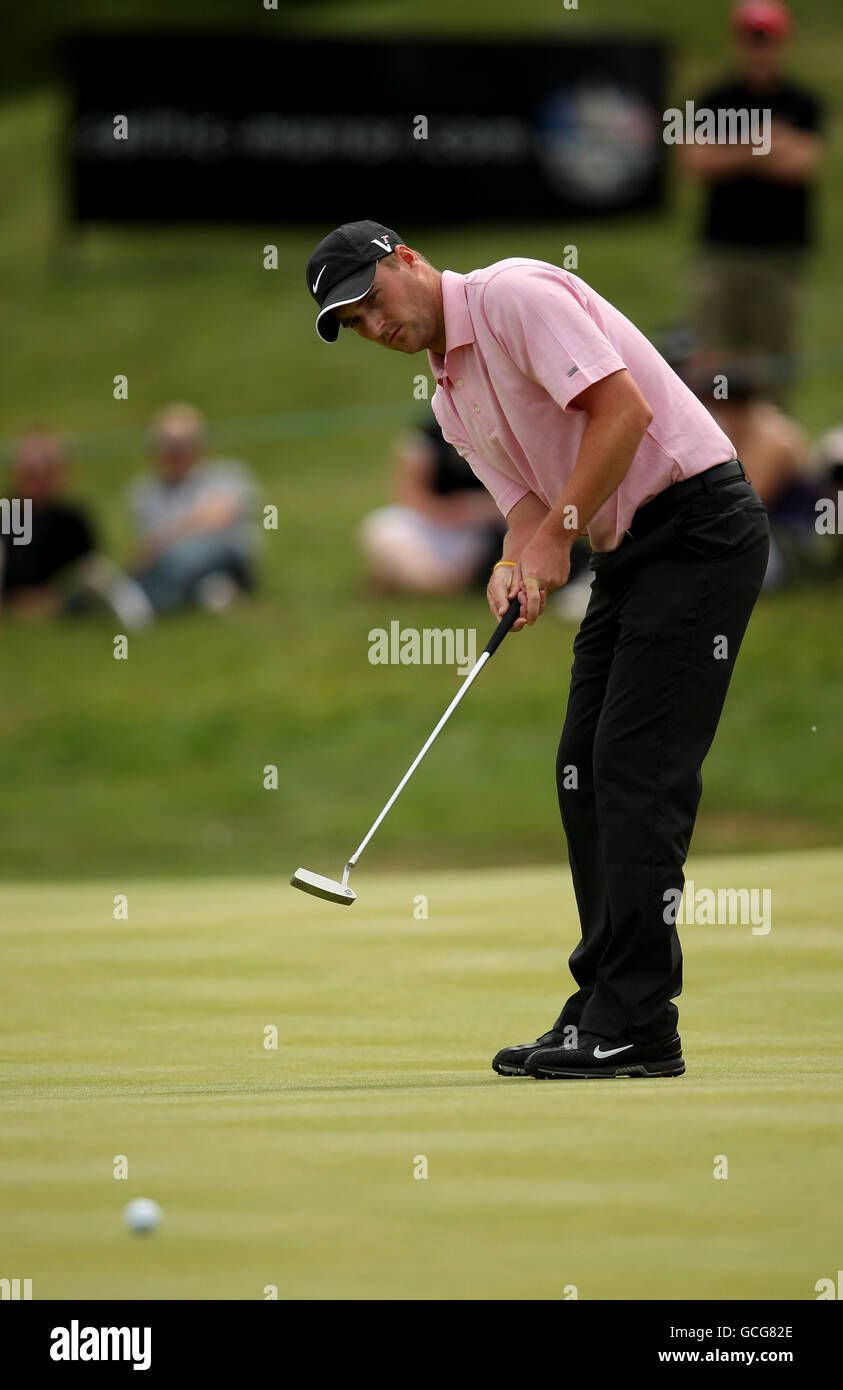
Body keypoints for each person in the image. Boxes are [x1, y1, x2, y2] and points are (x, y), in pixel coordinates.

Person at [304, 220, 770, 1080]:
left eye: (372, 302)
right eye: (357, 325)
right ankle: (604, 1003)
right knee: (582, 768)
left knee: (634, 766)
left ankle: (636, 1019)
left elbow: (620, 409)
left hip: (699, 526)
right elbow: (524, 505)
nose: (376, 327)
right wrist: (516, 559)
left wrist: (556, 533)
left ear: (406, 260)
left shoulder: (513, 294)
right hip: (632, 551)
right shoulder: (448, 397)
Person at [679, 0, 824, 404]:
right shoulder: (716, 98)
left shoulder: (802, 101)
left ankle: (774, 451)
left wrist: (735, 150)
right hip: (722, 250)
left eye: (767, 39)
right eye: (752, 38)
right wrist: (764, 144)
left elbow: (801, 163)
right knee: (713, 359)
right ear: (738, 41)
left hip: (780, 254)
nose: (759, 48)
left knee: (775, 360)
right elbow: (696, 160)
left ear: (782, 42)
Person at [127, 404, 258, 615]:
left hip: (227, 558)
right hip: (169, 567)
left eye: (181, 444)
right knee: (193, 575)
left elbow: (218, 518)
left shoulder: (227, 474)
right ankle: (212, 595)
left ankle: (140, 606)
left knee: (187, 555)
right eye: (167, 445)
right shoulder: (144, 491)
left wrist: (166, 537)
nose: (174, 452)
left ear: (200, 445)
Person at [358, 418, 507, 594]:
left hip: (482, 528)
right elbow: (410, 495)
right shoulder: (427, 437)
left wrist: (480, 509)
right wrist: (457, 511)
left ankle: (429, 581)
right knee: (383, 526)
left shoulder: (499, 432)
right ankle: (434, 580)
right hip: (433, 524)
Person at [0, 430, 97, 616]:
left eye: (46, 468)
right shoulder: (6, 514)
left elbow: (89, 571)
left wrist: (53, 598)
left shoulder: (72, 518)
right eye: (30, 469)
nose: (38, 476)